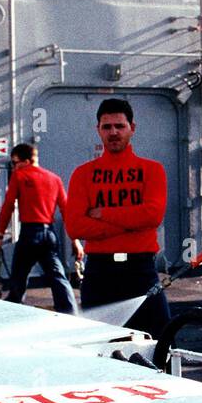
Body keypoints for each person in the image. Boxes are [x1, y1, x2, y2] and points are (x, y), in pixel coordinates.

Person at [65, 98, 170, 336]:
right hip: (99, 273)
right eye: (107, 127)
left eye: (119, 126)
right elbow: (75, 226)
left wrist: (102, 214)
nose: (113, 132)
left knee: (161, 340)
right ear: (98, 130)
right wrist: (131, 224)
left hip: (141, 269)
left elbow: (153, 216)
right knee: (99, 345)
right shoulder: (83, 174)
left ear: (132, 128)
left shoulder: (152, 170)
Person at [0, 143, 80, 314]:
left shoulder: (19, 176)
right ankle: (70, 312)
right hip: (49, 234)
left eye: (14, 162)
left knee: (19, 276)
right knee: (58, 276)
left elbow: (8, 206)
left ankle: (12, 310)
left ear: (25, 161)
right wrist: (75, 240)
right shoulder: (55, 179)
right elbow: (67, 211)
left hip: (29, 234)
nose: (14, 166)